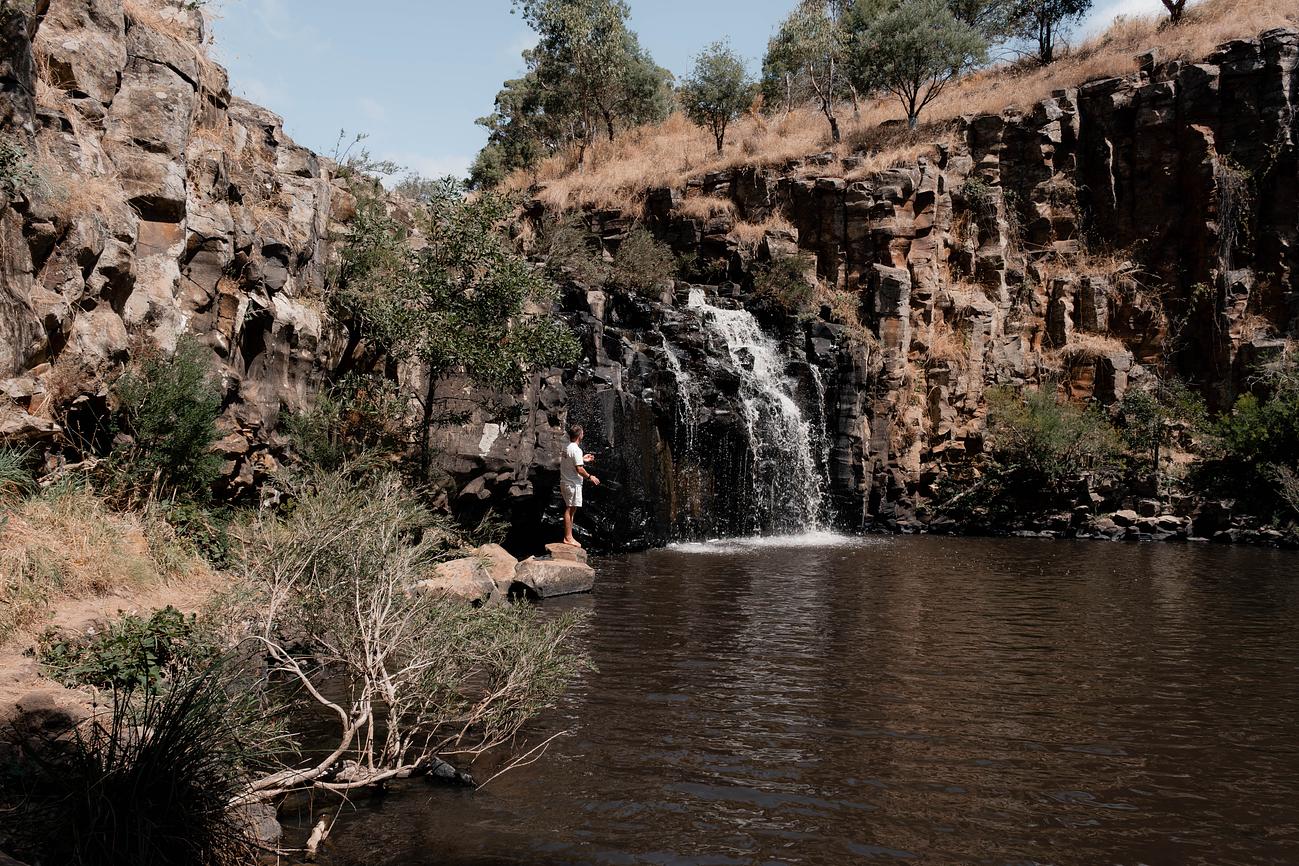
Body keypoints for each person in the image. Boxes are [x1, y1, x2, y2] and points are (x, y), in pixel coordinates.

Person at [559, 424, 599, 547]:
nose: (584, 434)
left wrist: (582, 459)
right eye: (583, 433)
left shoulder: (567, 446)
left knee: (571, 509)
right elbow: (579, 469)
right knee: (570, 509)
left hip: (566, 482)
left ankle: (569, 536)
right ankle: (568, 538)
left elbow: (572, 461)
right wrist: (590, 477)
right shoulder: (576, 449)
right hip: (572, 484)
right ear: (580, 435)